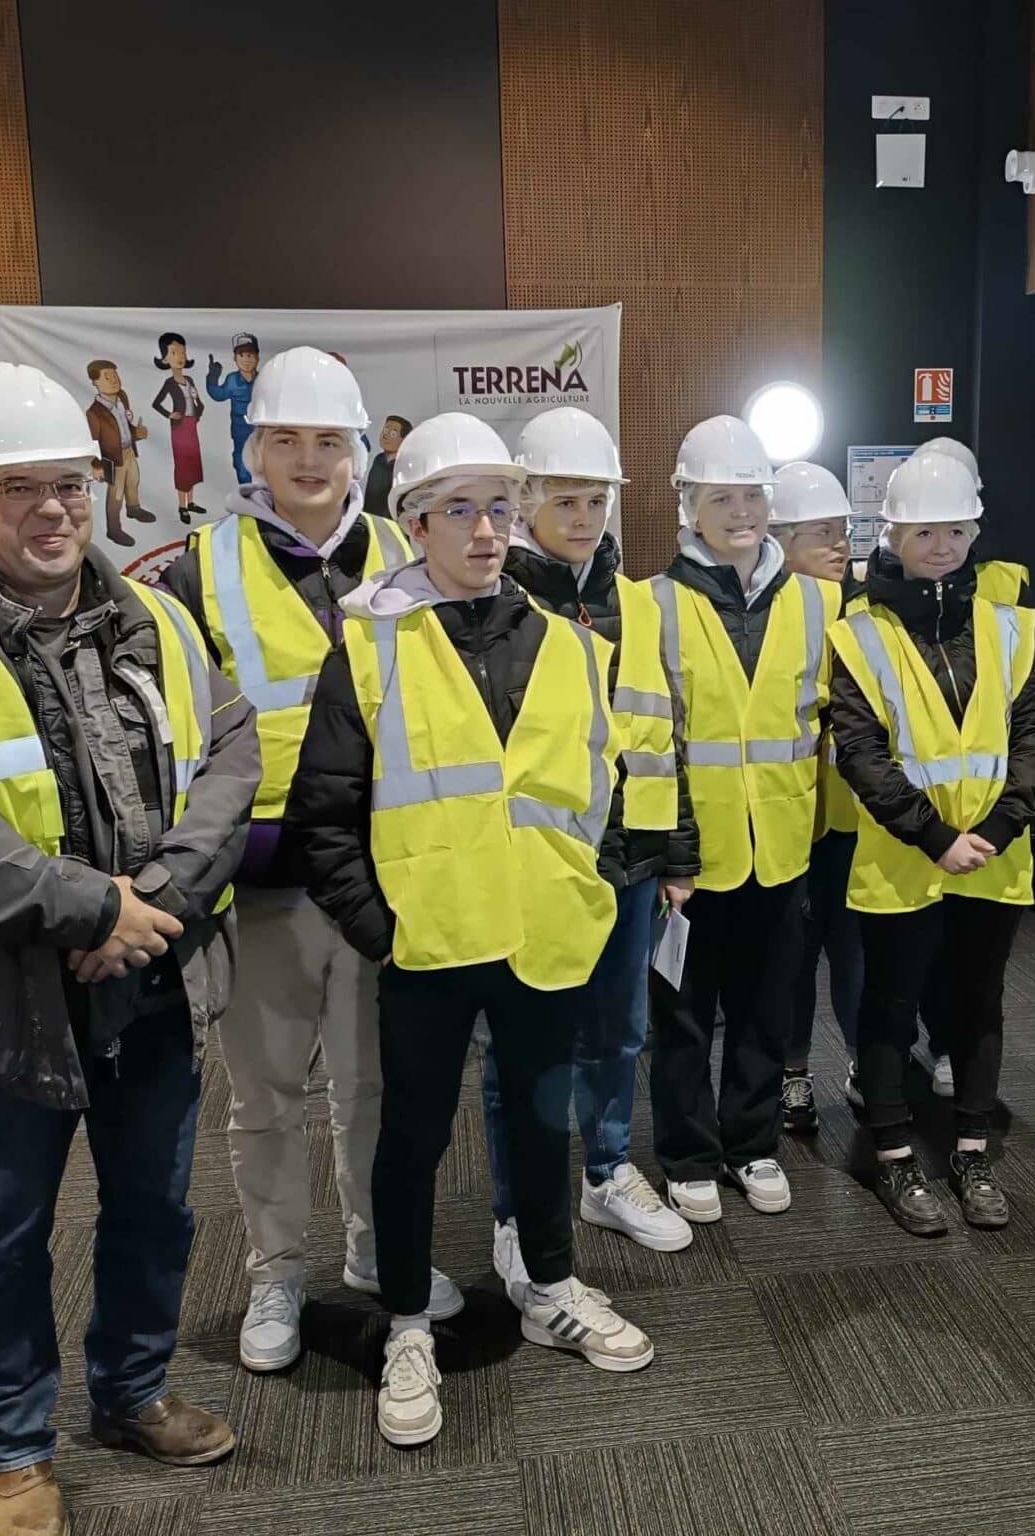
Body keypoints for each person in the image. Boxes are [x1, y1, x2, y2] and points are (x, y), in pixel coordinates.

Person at [0, 364, 260, 1536]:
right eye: (19, 489)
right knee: (4, 1229)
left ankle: (134, 1391)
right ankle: (12, 1447)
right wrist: (85, 909)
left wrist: (149, 901)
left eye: (70, 484)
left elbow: (232, 751)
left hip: (149, 976)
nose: (55, 510)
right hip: (6, 995)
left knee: (157, 1207)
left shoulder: (155, 614)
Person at [285, 410, 655, 1448]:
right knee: (412, 1139)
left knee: (543, 1127)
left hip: (545, 938)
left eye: (502, 507)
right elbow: (324, 817)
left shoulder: (574, 649)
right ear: (414, 523)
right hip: (428, 948)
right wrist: (384, 931)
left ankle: (547, 1284)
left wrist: (592, 885)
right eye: (461, 509)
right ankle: (407, 1317)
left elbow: (604, 786)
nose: (488, 529)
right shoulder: (369, 647)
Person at [163, 347, 422, 1373]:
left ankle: (368, 1251)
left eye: (329, 440)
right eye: (287, 440)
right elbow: (183, 729)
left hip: (378, 879)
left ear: (359, 448)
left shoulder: (412, 551)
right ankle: (278, 1269)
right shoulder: (198, 568)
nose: (309, 460)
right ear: (254, 450)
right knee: (264, 1094)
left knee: (373, 1087)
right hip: (261, 888)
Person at [479, 406, 697, 1284]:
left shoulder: (639, 603)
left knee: (620, 1033)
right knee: (524, 1049)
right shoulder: (495, 604)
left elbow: (660, 733)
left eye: (596, 499)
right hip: (536, 865)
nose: (583, 516)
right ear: (525, 499)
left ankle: (605, 1172)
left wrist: (677, 854)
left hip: (630, 859)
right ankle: (512, 1209)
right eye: (564, 498)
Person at [829, 451, 1035, 1235]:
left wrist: (990, 831)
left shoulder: (1007, 627)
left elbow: (1033, 736)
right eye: (925, 531)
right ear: (892, 533)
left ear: (973, 531)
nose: (941, 545)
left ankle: (970, 1148)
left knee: (977, 1006)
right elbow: (859, 754)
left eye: (955, 530)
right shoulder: (859, 634)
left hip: (992, 858)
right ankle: (892, 1155)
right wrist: (934, 836)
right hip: (905, 857)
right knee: (888, 1006)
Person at [648, 416, 839, 1222]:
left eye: (752, 495)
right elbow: (651, 742)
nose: (740, 513)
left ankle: (752, 1143)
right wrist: (671, 853)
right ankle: (689, 1154)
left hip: (785, 845)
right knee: (684, 1013)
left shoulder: (815, 602)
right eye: (720, 497)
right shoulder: (654, 603)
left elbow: (829, 723)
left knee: (767, 1006)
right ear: (689, 506)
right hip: (696, 855)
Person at [766, 460, 864, 1132]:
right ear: (782, 540)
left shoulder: (866, 610)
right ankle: (792, 1075)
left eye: (843, 532)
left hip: (856, 819)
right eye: (821, 532)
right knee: (792, 962)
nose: (839, 545)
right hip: (788, 818)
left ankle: (866, 1064)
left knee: (856, 954)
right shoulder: (762, 620)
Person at [86, 359, 152, 547]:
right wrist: (96, 465)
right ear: (95, 383)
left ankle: (134, 508)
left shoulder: (122, 397)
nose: (113, 380)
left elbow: (125, 426)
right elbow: (93, 440)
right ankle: (114, 529)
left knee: (134, 480)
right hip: (112, 457)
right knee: (116, 492)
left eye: (115, 375)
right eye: (107, 377)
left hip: (129, 450)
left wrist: (136, 433)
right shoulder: (95, 412)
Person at [151, 332, 206, 523]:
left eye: (182, 352)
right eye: (174, 353)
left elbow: (198, 401)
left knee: (193, 463)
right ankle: (182, 506)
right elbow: (156, 403)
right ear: (165, 358)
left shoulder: (189, 380)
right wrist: (170, 414)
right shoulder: (169, 383)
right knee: (182, 466)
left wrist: (197, 414)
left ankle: (191, 502)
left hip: (191, 425)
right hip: (180, 427)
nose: (180, 357)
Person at [206, 331, 261, 485]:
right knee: (242, 464)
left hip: (261, 431)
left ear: (257, 357)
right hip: (240, 430)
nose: (246, 360)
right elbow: (219, 394)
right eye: (242, 355)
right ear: (235, 358)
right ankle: (246, 499)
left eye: (250, 355)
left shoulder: (263, 378)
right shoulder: (232, 379)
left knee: (264, 465)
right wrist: (212, 377)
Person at [364, 414, 412, 518]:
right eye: (385, 431)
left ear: (404, 440)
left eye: (393, 433)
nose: (386, 435)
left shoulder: (403, 465)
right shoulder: (378, 459)